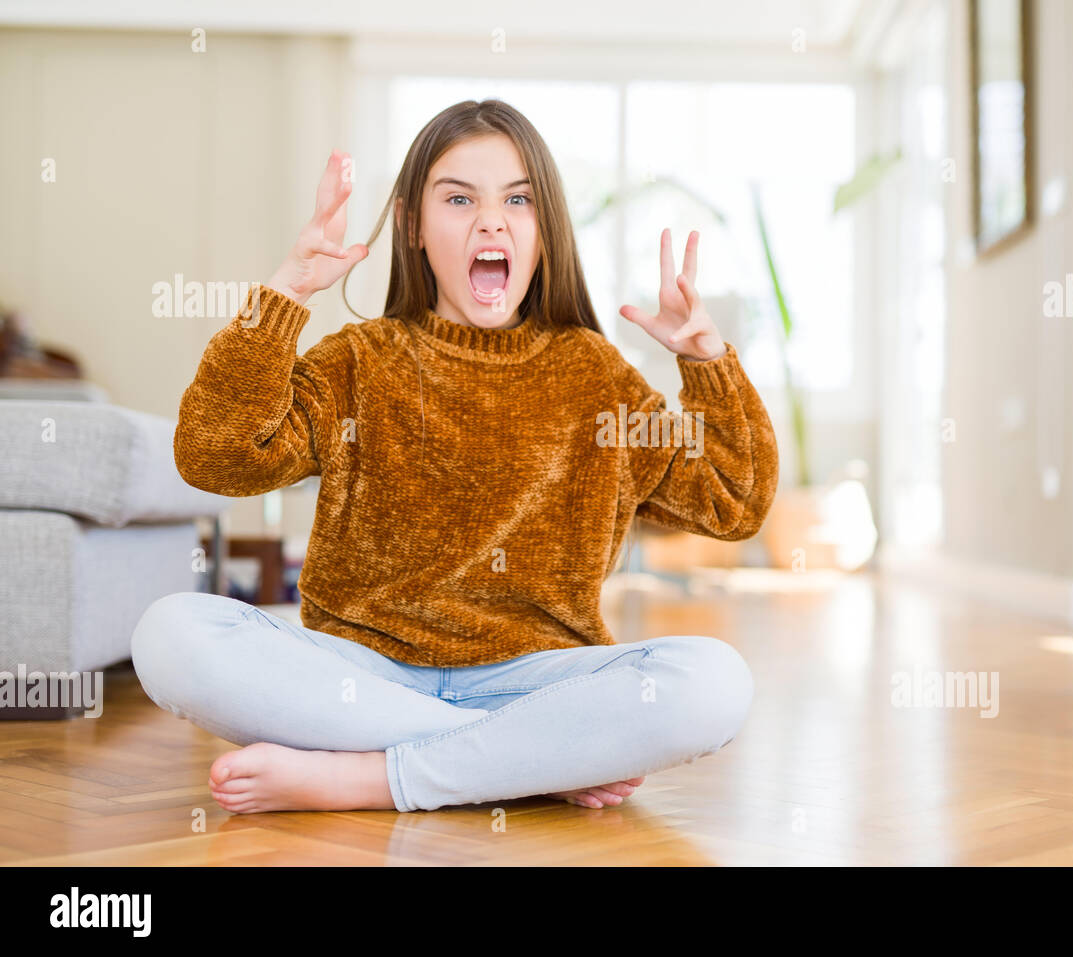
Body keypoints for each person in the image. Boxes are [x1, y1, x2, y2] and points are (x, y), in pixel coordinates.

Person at [131, 99, 779, 813]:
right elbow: (214, 455)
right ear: (412, 224)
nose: (492, 220)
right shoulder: (360, 360)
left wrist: (709, 362)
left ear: (544, 228)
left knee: (718, 682)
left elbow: (734, 499)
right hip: (364, 672)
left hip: (540, 678)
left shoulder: (593, 375)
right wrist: (285, 294)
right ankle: (519, 760)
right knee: (168, 634)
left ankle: (370, 777)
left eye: (518, 198)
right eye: (460, 197)